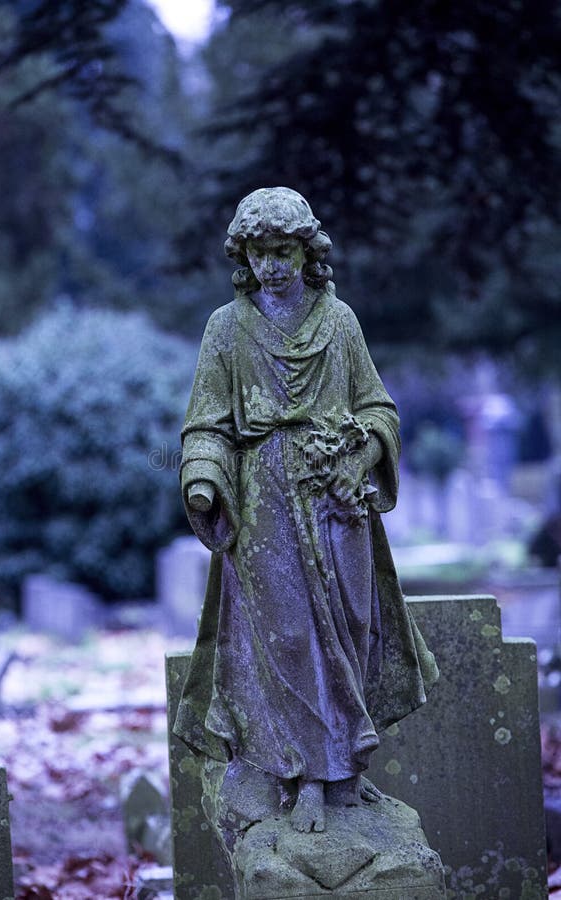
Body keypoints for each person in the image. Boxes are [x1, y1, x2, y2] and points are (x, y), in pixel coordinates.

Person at [173, 187, 438, 834]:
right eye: (258, 253)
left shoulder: (339, 321)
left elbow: (378, 407)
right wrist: (204, 478)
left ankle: (346, 769)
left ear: (306, 251)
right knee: (286, 638)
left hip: (337, 499)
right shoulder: (227, 328)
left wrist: (363, 453)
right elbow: (206, 424)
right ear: (243, 257)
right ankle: (306, 778)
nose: (271, 266)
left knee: (350, 630)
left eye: (283, 251)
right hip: (263, 501)